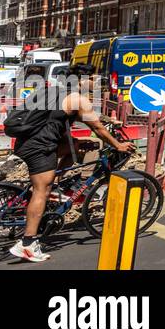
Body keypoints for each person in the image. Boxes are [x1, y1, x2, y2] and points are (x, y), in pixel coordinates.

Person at [9, 65, 135, 263]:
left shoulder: (51, 90)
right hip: (40, 147)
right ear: (82, 80)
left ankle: (56, 184)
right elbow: (97, 127)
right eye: (93, 79)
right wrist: (118, 145)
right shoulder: (77, 99)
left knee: (80, 145)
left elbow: (79, 118)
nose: (96, 83)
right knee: (41, 189)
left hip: (27, 142)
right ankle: (27, 244)